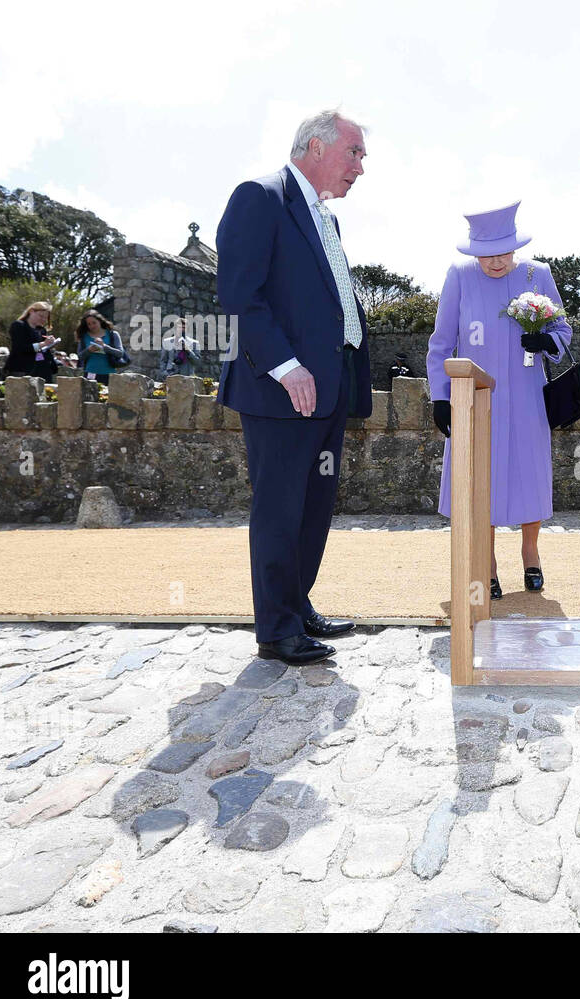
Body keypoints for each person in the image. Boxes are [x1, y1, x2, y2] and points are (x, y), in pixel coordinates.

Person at [215, 109, 372, 665]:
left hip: (326, 389)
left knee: (313, 506)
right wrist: (285, 366)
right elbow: (239, 294)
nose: (361, 166)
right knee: (280, 508)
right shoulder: (259, 197)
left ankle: (296, 607)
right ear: (315, 146)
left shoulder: (326, 218)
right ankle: (276, 630)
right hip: (279, 389)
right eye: (354, 152)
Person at [426, 202, 571, 598]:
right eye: (488, 254)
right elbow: (441, 344)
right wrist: (441, 396)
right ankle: (486, 564)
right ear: (474, 251)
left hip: (527, 396)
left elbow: (563, 329)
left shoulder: (536, 273)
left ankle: (530, 552)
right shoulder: (459, 275)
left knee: (531, 476)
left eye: (504, 252)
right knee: (479, 479)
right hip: (475, 398)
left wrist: (547, 340)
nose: (497, 262)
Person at [5, 301, 61, 381]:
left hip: (38, 371)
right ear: (31, 311)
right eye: (41, 316)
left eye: (45, 318)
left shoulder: (41, 330)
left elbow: (39, 352)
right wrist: (43, 343)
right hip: (20, 370)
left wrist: (49, 346)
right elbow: (20, 348)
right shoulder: (18, 325)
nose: (43, 319)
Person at [76, 310, 127, 385]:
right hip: (90, 374)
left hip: (109, 374)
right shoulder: (84, 337)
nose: (92, 326)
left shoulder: (113, 334)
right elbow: (80, 356)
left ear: (100, 321)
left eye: (94, 323)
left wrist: (104, 346)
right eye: (89, 324)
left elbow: (120, 353)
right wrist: (89, 350)